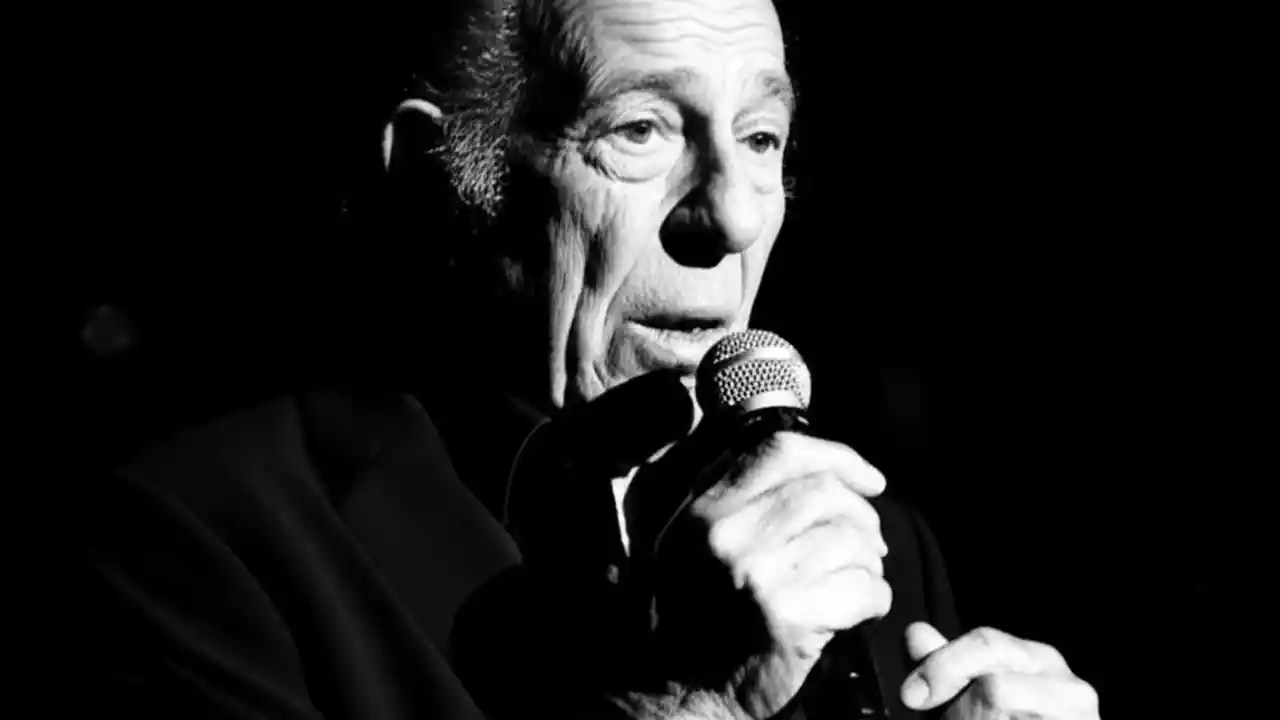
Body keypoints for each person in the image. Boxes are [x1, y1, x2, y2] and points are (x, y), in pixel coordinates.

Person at [78, 0, 1101, 718]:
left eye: (759, 138)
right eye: (640, 129)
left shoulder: (875, 546)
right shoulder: (201, 542)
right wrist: (690, 708)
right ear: (436, 184)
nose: (733, 218)